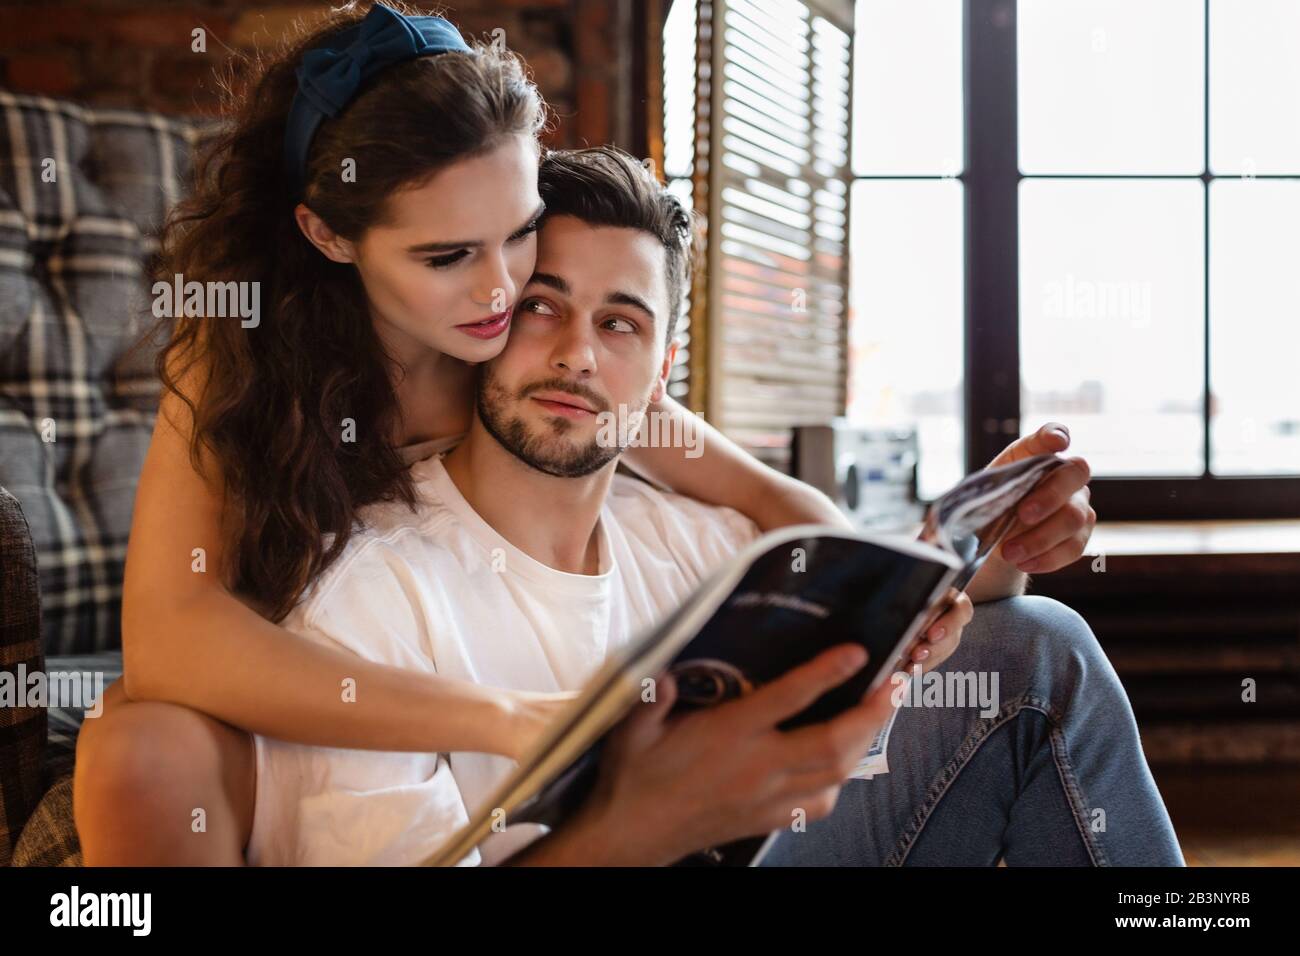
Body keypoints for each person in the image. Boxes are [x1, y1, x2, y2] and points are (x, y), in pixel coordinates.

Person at [73, 2, 898, 865]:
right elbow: (170, 639)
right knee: (139, 754)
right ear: (327, 235)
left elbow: (765, 493)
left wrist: (888, 594)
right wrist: (502, 719)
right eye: (447, 256)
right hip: (270, 672)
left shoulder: (522, 347)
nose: (501, 290)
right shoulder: (242, 353)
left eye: (519, 233)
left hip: (433, 657)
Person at [244, 145, 1183, 867]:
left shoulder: (715, 551)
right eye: (542, 306)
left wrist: (1008, 546)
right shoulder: (371, 598)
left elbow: (903, 663)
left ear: (661, 373)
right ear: (484, 318)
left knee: (1035, 646)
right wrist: (633, 833)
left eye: (620, 323)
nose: (577, 354)